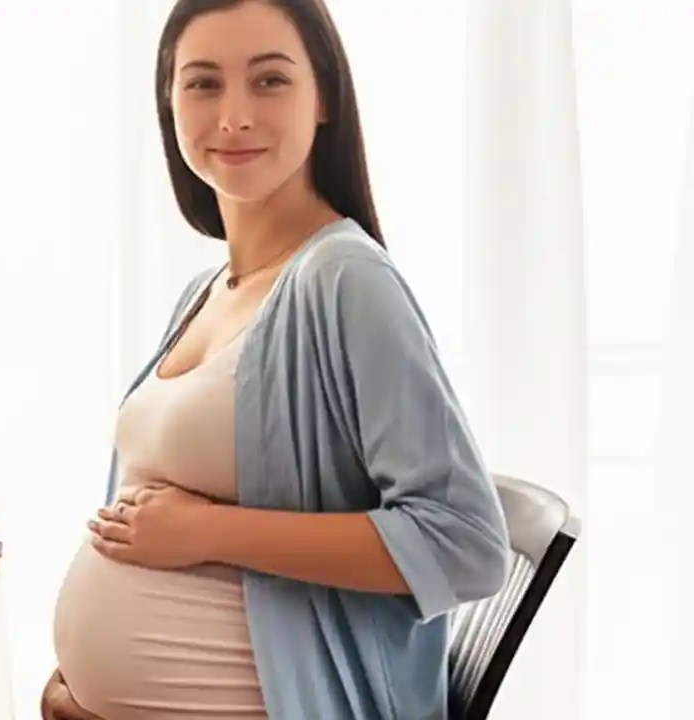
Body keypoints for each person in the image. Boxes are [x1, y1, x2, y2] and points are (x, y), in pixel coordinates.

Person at [41, 1, 511, 718]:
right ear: (168, 104)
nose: (232, 116)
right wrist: (79, 682)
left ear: (322, 96)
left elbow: (464, 543)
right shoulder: (207, 292)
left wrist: (207, 532)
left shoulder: (347, 280)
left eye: (269, 81)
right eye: (202, 84)